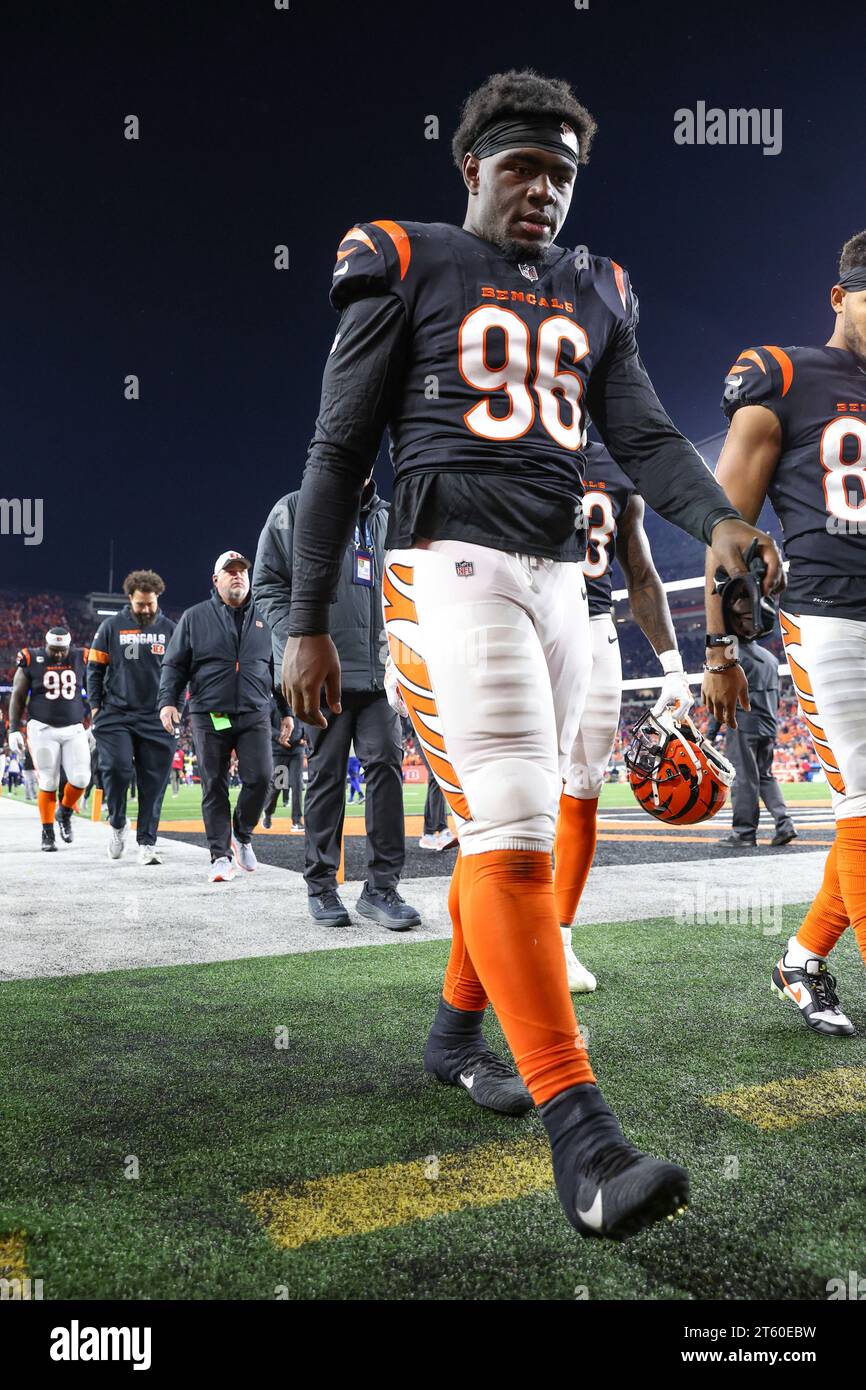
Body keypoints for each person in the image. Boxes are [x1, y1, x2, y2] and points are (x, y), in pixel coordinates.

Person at [280, 69, 781, 1240]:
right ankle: (585, 1143)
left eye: (562, 172)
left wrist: (713, 517)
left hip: (566, 579)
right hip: (449, 568)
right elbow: (336, 449)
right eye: (522, 168)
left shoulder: (598, 285)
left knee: (539, 826)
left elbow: (645, 431)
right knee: (508, 832)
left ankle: (455, 1034)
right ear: (471, 166)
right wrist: (306, 618)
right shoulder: (404, 259)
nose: (544, 190)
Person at [704, 228, 866, 1039]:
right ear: (839, 297)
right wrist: (720, 649)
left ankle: (800, 960)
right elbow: (727, 526)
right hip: (833, 617)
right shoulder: (790, 374)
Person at [555, 440, 694, 990]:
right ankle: (507, 936)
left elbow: (639, 572)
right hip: (527, 622)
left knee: (585, 785)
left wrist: (674, 666)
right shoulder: (518, 433)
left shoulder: (615, 463)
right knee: (523, 790)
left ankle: (560, 938)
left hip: (595, 627)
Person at [254, 477, 420, 931]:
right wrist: (298, 638)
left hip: (381, 672)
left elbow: (412, 587)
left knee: (386, 762)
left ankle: (381, 887)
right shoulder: (295, 508)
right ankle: (322, 885)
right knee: (326, 773)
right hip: (324, 673)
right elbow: (266, 584)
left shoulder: (392, 516)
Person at [158, 551, 283, 883]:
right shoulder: (195, 617)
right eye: (230, 571)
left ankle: (241, 833)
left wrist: (285, 712)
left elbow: (278, 668)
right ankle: (219, 856)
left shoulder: (266, 616)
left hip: (256, 710)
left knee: (261, 778)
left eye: (242, 570)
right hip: (208, 712)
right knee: (214, 784)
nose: (238, 575)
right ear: (216, 580)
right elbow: (173, 664)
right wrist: (168, 701)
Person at [87, 570, 176, 865]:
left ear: (157, 598)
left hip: (156, 716)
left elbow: (182, 674)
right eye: (141, 605)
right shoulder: (111, 626)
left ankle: (147, 843)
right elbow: (94, 671)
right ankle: (117, 824)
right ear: (130, 599)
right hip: (116, 714)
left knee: (154, 783)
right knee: (115, 769)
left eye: (150, 604)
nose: (146, 610)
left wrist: (176, 708)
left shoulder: (171, 628)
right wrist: (96, 709)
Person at [8, 626, 92, 851]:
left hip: (74, 727)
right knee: (48, 781)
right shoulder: (31, 657)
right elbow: (17, 694)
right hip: (42, 728)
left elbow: (95, 689)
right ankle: (47, 833)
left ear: (69, 646)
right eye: (53, 649)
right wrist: (13, 729)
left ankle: (64, 812)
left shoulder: (80, 656)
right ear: (46, 645)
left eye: (62, 650)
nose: (57, 654)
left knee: (82, 779)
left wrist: (96, 723)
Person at [713, 638, 796, 849]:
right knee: (765, 775)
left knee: (744, 778)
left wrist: (710, 734)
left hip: (744, 724)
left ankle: (744, 833)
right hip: (768, 724)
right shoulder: (770, 658)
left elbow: (723, 697)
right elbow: (776, 697)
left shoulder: (733, 654)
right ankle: (784, 823)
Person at [261, 702, 305, 830]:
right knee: (278, 785)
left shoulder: (299, 700)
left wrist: (304, 736)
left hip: (297, 750)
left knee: (297, 785)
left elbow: (305, 720)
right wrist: (279, 737)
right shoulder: (274, 703)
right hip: (279, 751)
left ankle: (296, 821)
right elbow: (266, 724)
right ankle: (268, 812)